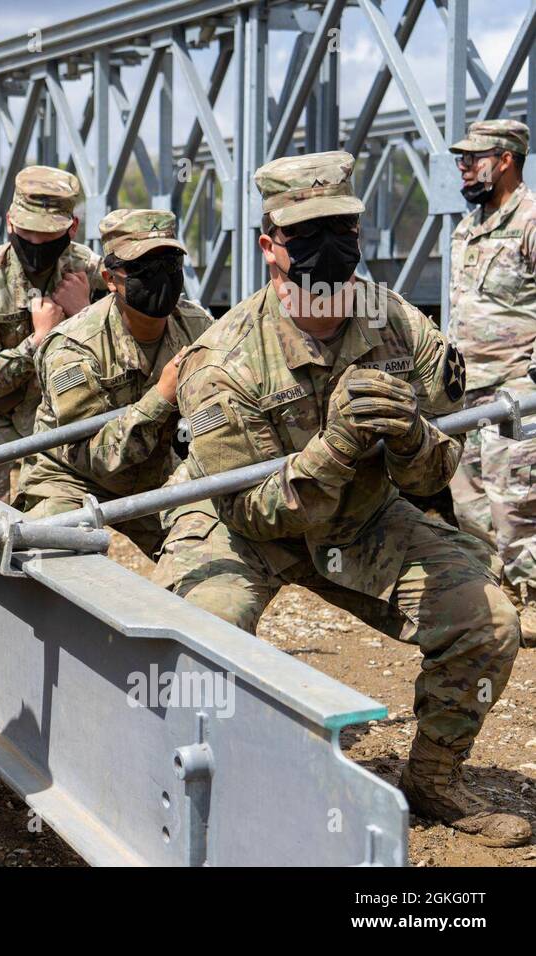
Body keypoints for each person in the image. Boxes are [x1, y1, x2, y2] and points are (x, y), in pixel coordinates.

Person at [154, 150, 527, 847]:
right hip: (245, 529)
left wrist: (412, 436)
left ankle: (435, 777)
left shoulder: (397, 325)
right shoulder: (225, 359)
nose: (328, 249)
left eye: (342, 230)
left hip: (360, 520)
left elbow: (432, 476)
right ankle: (216, 786)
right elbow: (253, 510)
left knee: (487, 621)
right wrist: (337, 443)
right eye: (305, 233)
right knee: (203, 636)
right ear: (269, 246)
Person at [15, 208, 212, 558]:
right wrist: (162, 396)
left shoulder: (197, 327)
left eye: (170, 264)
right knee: (48, 557)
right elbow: (95, 457)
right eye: (141, 269)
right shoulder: (73, 345)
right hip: (72, 478)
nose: (160, 278)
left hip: (153, 475)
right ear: (110, 278)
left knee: (204, 556)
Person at [0, 165, 102, 499]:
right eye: (27, 234)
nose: (37, 244)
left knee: (54, 510)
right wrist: (39, 340)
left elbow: (118, 352)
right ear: (9, 221)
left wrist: (85, 316)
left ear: (73, 228)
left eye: (49, 235)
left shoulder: (89, 270)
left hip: (44, 407)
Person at [446, 119, 536, 636]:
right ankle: (496, 602)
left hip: (515, 393)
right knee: (466, 500)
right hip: (467, 392)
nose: (463, 166)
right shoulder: (467, 227)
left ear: (505, 159)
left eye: (473, 157)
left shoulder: (529, 220)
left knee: (518, 502)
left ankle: (534, 601)